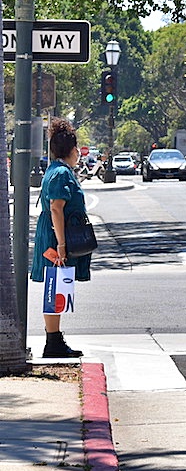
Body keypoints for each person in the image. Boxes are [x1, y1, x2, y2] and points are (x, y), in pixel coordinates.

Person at [31, 117, 91, 358]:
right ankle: (53, 342)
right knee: (54, 287)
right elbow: (57, 208)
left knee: (55, 287)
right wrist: (62, 244)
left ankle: (54, 340)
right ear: (72, 149)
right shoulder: (61, 174)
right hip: (56, 237)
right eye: (77, 149)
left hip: (53, 234)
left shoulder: (55, 170)